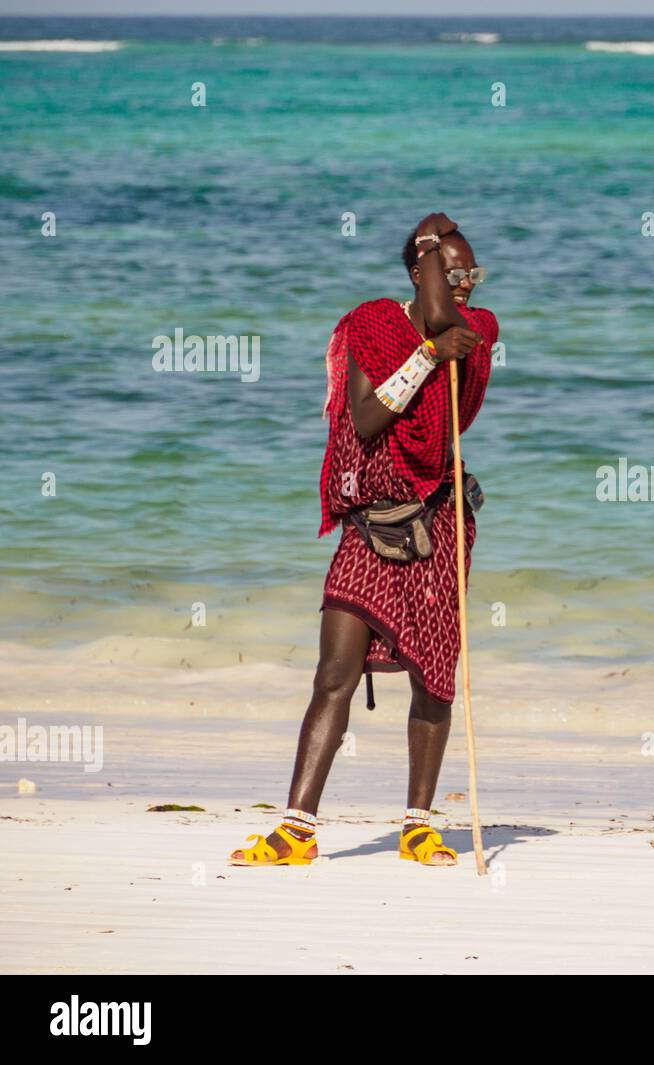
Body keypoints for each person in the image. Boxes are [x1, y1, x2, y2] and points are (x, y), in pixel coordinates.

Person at [230, 211, 497, 868]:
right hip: (371, 521)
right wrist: (429, 353)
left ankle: (418, 825)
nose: (465, 283)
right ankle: (295, 829)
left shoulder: (479, 330)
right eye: (452, 270)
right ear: (419, 269)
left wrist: (443, 320)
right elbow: (370, 416)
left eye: (474, 272)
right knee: (333, 673)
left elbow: (443, 319)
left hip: (437, 519)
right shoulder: (372, 324)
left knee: (434, 678)